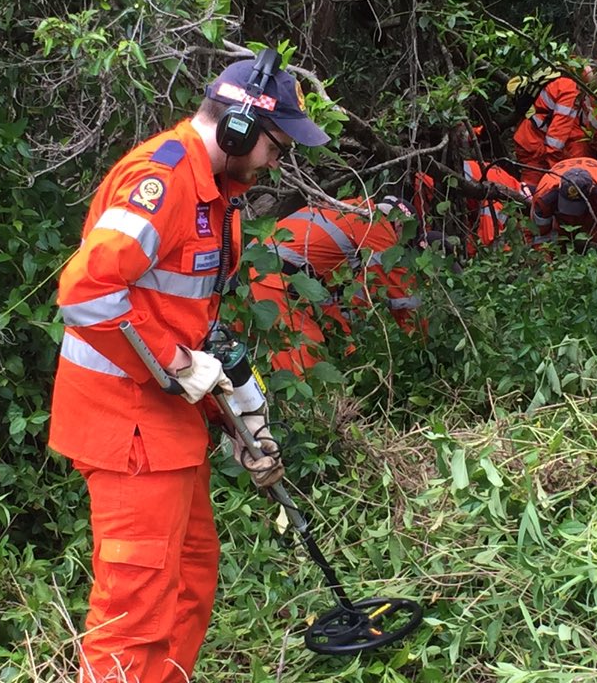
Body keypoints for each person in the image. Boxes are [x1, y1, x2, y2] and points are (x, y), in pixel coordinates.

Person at [49, 51, 330, 682]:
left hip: (168, 424)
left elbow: (187, 318)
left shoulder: (216, 195)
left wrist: (239, 413)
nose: (275, 163)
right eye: (274, 146)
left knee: (191, 579)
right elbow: (86, 292)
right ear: (237, 128)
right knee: (136, 611)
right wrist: (180, 363)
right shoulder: (164, 179)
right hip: (128, 429)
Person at [249, 195, 422, 374]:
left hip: (248, 276)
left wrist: (349, 350)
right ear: (399, 224)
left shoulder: (342, 209)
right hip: (272, 282)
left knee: (246, 370)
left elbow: (326, 303)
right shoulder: (375, 224)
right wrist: (423, 345)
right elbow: (405, 299)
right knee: (308, 366)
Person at [509, 53, 597, 189]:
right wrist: (560, 175)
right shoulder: (571, 92)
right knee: (533, 191)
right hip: (533, 145)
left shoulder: (575, 69)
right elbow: (555, 142)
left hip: (533, 138)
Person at [530, 157, 597, 248]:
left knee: (596, 230)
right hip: (561, 219)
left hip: (595, 203)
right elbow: (539, 235)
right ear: (559, 187)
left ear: (591, 190)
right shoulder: (544, 195)